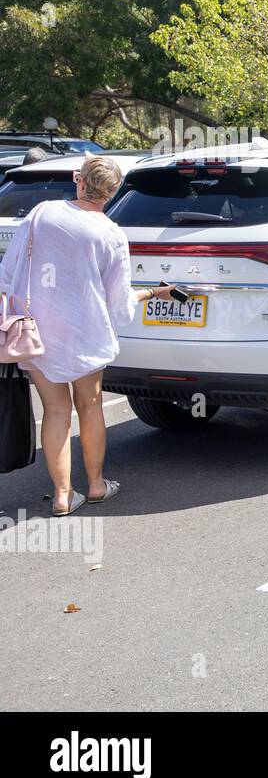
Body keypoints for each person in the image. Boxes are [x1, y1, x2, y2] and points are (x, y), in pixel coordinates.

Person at [0, 154, 174, 516]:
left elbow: (9, 270)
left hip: (35, 330)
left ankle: (63, 496)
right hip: (84, 329)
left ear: (79, 180)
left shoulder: (42, 213)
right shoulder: (111, 232)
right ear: (112, 192)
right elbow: (119, 305)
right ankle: (96, 485)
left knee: (55, 411)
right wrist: (152, 293)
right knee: (90, 406)